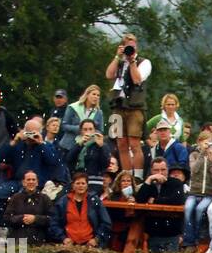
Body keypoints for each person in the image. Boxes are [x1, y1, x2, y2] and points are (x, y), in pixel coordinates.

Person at [0, 118, 64, 227]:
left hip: (36, 184)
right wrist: (14, 141)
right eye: (29, 131)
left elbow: (53, 161)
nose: (31, 135)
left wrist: (41, 143)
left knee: (21, 198)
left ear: (40, 132)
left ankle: (21, 231)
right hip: (17, 181)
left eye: (34, 132)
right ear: (24, 131)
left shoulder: (46, 146)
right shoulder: (18, 145)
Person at [105, 32, 152, 179]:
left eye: (132, 45)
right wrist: (117, 57)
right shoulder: (119, 62)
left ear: (136, 46)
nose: (130, 49)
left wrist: (132, 61)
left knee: (134, 143)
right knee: (121, 143)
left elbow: (137, 79)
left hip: (134, 107)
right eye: (127, 46)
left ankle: (137, 178)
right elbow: (109, 75)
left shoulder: (144, 62)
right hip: (117, 105)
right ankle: (126, 177)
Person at [133, 157, 187, 253]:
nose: (160, 173)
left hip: (171, 231)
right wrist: (149, 180)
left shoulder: (176, 183)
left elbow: (178, 200)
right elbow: (139, 200)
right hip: (153, 231)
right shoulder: (148, 184)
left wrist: (154, 201)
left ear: (167, 170)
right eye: (156, 170)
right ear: (151, 171)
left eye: (163, 170)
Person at [49, 172, 111, 247]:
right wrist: (63, 238)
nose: (80, 186)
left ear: (87, 185)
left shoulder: (95, 201)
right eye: (78, 183)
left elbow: (106, 222)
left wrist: (97, 239)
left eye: (83, 183)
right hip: (69, 245)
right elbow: (54, 223)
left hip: (90, 245)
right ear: (73, 185)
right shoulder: (63, 202)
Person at [182, 130, 212, 249]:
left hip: (208, 193)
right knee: (188, 208)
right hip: (194, 192)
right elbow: (194, 170)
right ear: (199, 143)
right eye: (205, 143)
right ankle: (189, 240)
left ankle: (198, 237)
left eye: (210, 143)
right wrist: (201, 155)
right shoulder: (193, 155)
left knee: (200, 210)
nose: (207, 146)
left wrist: (211, 159)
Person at [4, 170, 54, 243]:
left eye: (33, 180)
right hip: (18, 239)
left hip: (39, 241)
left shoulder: (45, 198)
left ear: (37, 183)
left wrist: (35, 219)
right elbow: (7, 218)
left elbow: (52, 219)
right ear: (23, 183)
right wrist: (22, 218)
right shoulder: (15, 198)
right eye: (28, 180)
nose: (31, 182)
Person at [66, 119, 113, 197]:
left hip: (95, 182)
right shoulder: (78, 143)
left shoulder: (101, 145)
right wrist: (79, 144)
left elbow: (106, 164)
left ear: (95, 130)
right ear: (81, 131)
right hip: (79, 181)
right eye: (85, 129)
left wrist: (101, 147)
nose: (88, 131)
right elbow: (68, 159)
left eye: (91, 129)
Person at [60, 86, 103, 153]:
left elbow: (100, 130)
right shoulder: (73, 107)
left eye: (98, 95)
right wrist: (80, 129)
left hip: (88, 147)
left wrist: (91, 132)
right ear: (87, 94)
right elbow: (64, 126)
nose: (96, 97)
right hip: (69, 146)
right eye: (94, 94)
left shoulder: (98, 112)